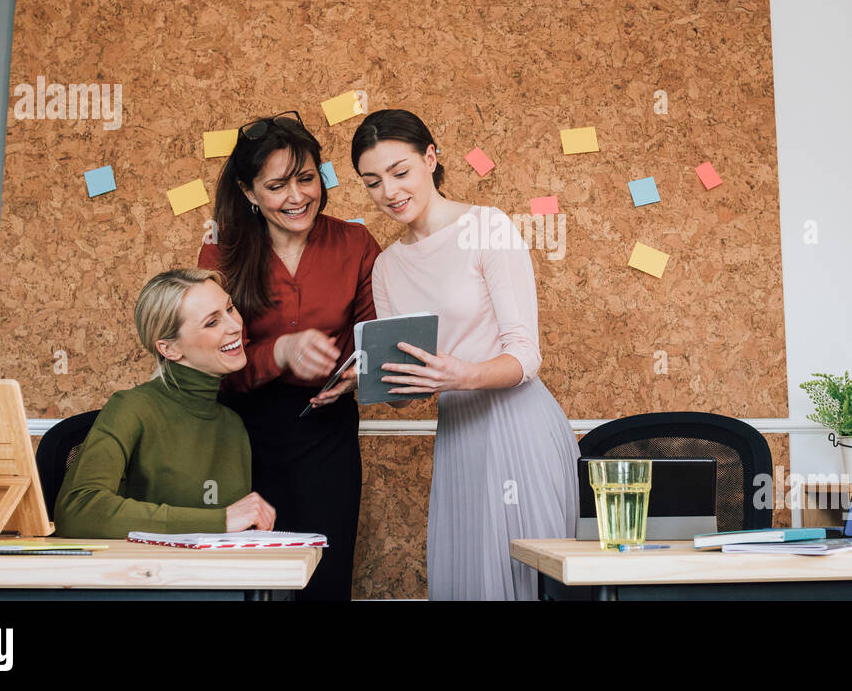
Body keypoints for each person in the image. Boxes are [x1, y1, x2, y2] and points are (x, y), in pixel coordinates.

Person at [350, 108, 578, 600]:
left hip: (518, 427)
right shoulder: (387, 266)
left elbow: (525, 357)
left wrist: (460, 374)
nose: (388, 192)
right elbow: (405, 396)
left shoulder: (487, 227)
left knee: (526, 580)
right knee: (470, 581)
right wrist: (370, 378)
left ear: (431, 159)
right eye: (372, 182)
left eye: (400, 172)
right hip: (458, 435)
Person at [199, 110, 380, 601]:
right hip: (241, 437)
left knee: (325, 572)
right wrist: (278, 352)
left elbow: (373, 340)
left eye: (306, 179)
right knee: (251, 579)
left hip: (328, 433)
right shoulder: (221, 253)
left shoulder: (356, 243)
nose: (297, 197)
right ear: (248, 191)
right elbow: (208, 363)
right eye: (277, 185)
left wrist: (355, 376)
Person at [55, 268, 275, 538]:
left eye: (229, 309)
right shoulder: (131, 408)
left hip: (214, 578)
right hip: (144, 577)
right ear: (169, 348)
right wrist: (219, 520)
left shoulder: (233, 425)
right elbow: (78, 510)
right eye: (211, 322)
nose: (234, 326)